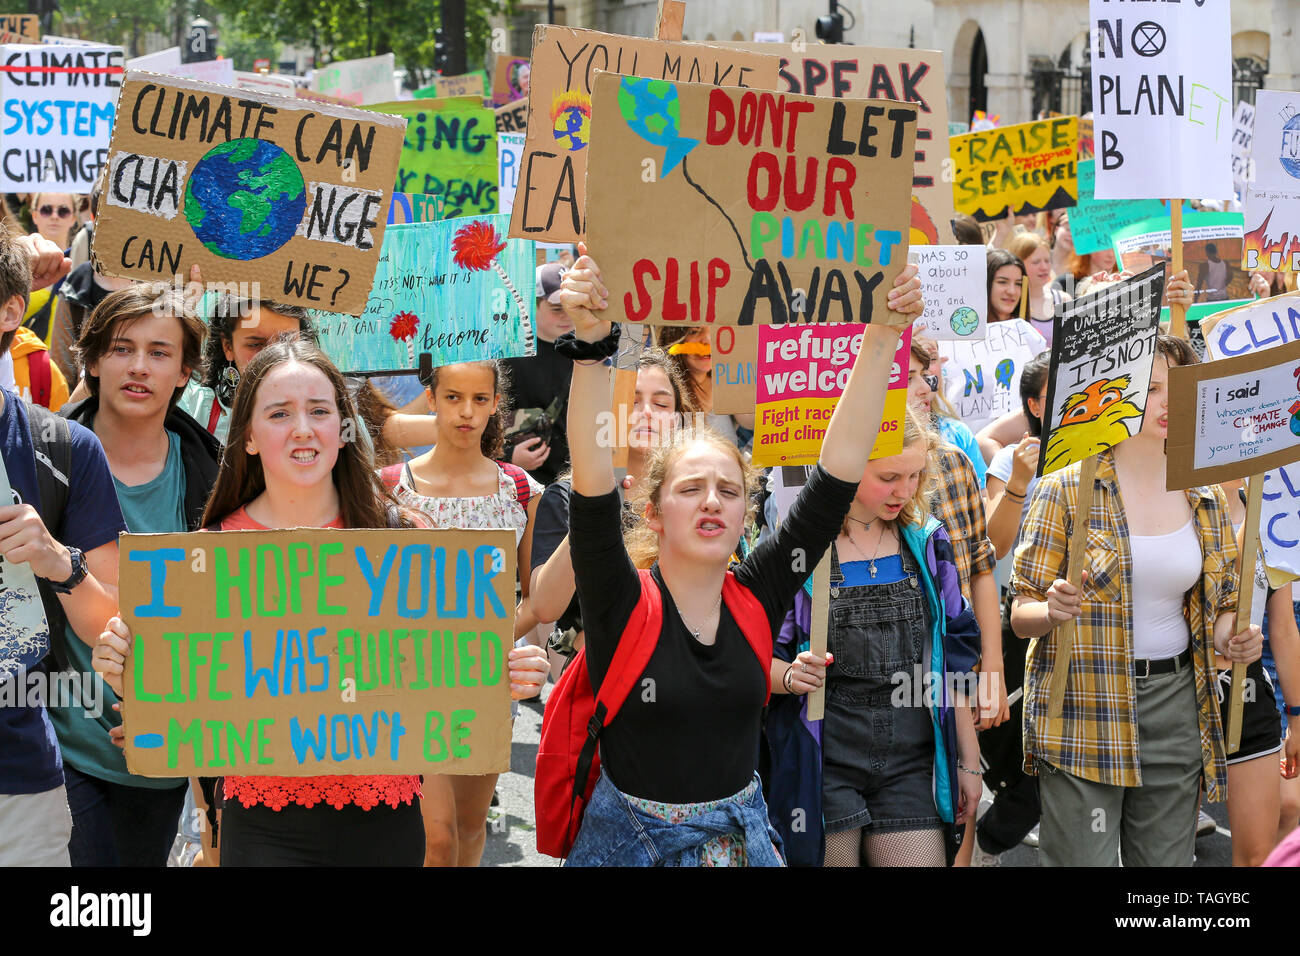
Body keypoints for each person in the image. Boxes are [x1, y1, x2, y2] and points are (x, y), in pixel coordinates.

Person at [91, 338, 551, 866]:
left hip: (388, 817)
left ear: (342, 428)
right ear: (248, 437)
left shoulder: (404, 538)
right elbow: (192, 701)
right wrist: (132, 674)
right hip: (260, 823)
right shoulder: (210, 552)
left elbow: (446, 670)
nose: (303, 428)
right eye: (280, 413)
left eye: (319, 411)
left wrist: (507, 669)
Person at [554, 242, 925, 866]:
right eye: (690, 488)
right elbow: (592, 480)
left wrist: (883, 337)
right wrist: (592, 347)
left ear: (745, 514)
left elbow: (836, 473)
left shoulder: (757, 595)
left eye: (728, 490)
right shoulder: (620, 599)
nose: (712, 502)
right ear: (652, 510)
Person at [1010, 333, 1261, 866]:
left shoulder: (1206, 490)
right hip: (1083, 699)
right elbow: (1020, 613)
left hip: (1176, 705)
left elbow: (1218, 608)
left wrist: (1232, 640)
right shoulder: (1067, 484)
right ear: (1116, 393)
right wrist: (1050, 611)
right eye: (1153, 388)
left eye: (1181, 388)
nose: (1169, 402)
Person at [765, 407, 983, 867]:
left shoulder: (927, 543)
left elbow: (953, 660)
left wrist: (968, 761)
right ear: (847, 465)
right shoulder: (797, 550)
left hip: (912, 764)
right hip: (824, 764)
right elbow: (753, 658)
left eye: (914, 476)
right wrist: (789, 674)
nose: (903, 491)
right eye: (888, 477)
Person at [54, 283, 218, 866]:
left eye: (160, 351)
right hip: (60, 747)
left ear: (185, 372)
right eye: (122, 348)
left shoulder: (213, 473)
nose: (139, 367)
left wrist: (179, 719)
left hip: (163, 755)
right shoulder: (42, 459)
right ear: (92, 360)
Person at [382, 358, 550, 867]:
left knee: (472, 825)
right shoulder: (388, 485)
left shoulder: (520, 490)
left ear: (496, 404)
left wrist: (492, 638)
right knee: (435, 837)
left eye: (480, 399)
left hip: (487, 678)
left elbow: (532, 595)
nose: (466, 412)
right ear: (431, 398)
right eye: (453, 397)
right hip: (411, 679)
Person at [0, 230, 120, 867]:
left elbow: (113, 623)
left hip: (21, 784)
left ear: (11, 311)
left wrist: (60, 563)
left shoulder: (67, 448)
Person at [529, 349, 693, 674]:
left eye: (661, 404)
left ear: (679, 419)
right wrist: (594, 503)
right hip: (600, 680)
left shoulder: (696, 499)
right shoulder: (564, 498)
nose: (646, 413)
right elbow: (545, 606)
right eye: (631, 402)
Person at [177, 288, 437, 458]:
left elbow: (359, 469)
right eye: (255, 344)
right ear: (227, 347)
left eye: (288, 341)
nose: (274, 356)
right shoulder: (196, 410)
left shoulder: (332, 412)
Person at [937, 249, 1047, 444]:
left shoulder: (1029, 336)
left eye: (1018, 284)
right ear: (984, 284)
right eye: (1002, 282)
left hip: (1022, 446)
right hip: (965, 448)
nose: (1012, 291)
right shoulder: (950, 340)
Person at [501, 262, 574, 486]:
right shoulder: (509, 354)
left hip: (575, 483)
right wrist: (508, 456)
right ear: (534, 306)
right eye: (556, 308)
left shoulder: (588, 351)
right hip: (523, 484)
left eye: (572, 307)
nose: (566, 316)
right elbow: (487, 415)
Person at [658, 325, 754, 447]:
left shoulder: (726, 382)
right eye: (694, 332)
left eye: (716, 331)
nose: (708, 341)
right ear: (673, 338)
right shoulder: (662, 393)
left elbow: (752, 421)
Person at [1007, 233, 1071, 345]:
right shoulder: (1009, 304)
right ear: (1018, 265)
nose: (1044, 267)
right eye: (1036, 262)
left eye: (1047, 261)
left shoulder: (1063, 299)